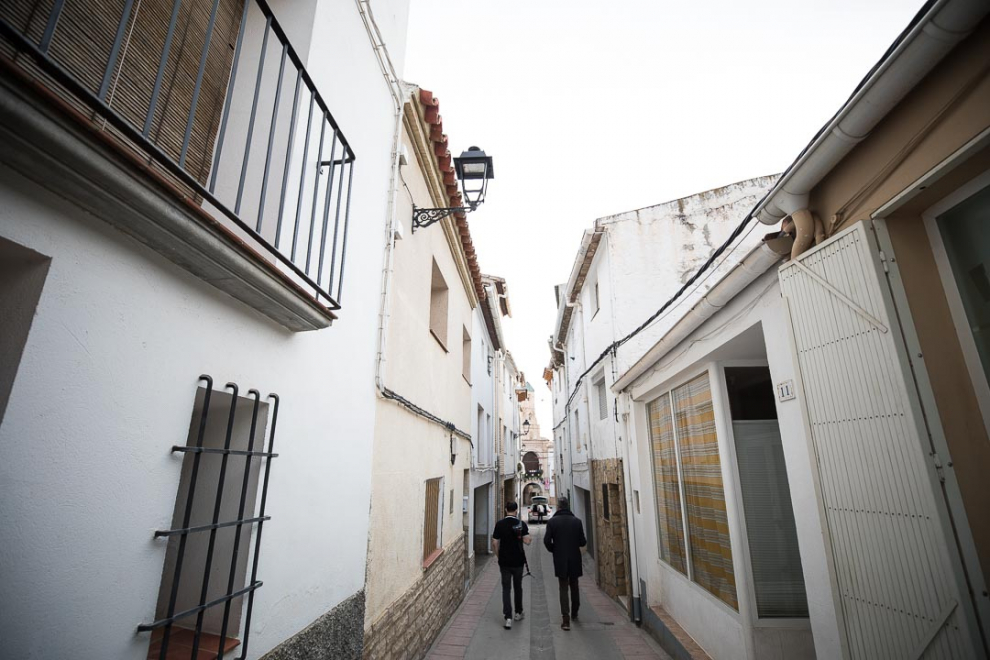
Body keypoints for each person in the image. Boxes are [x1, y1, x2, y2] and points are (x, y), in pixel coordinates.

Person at [543, 496, 586, 631]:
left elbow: (546, 541)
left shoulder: (552, 522)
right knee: (574, 585)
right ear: (568, 506)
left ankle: (565, 620)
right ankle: (575, 612)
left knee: (563, 587)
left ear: (559, 507)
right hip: (575, 558)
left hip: (560, 559)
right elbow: (583, 542)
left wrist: (554, 550)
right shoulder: (577, 522)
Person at [491, 501, 531, 629]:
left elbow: (494, 543)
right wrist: (521, 537)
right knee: (518, 587)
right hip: (518, 561)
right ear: (516, 510)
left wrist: (498, 556)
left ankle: (508, 617)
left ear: (505, 510)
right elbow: (528, 541)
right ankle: (518, 613)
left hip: (505, 562)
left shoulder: (500, 524)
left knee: (506, 589)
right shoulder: (521, 524)